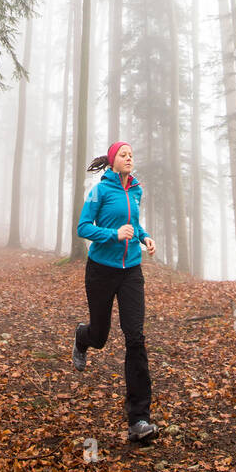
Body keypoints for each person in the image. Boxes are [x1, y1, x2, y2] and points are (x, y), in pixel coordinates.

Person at [73, 141, 159, 445]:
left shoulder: (136, 190)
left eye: (132, 155)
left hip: (131, 271)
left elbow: (134, 225)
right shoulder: (100, 190)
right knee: (100, 335)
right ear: (112, 161)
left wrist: (145, 237)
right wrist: (113, 234)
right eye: (124, 154)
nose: (129, 158)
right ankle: (83, 337)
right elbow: (84, 227)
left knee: (135, 338)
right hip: (101, 270)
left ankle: (139, 418)